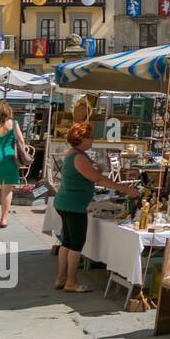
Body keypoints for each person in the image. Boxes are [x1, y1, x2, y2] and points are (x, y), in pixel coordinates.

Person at [53, 122, 139, 292]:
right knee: (77, 244)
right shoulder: (79, 157)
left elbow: (93, 172)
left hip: (64, 203)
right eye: (90, 137)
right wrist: (125, 189)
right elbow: (98, 179)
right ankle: (71, 282)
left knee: (67, 242)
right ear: (81, 139)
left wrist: (96, 168)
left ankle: (60, 278)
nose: (93, 140)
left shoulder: (75, 154)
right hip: (74, 205)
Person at [0, 101, 32, 230]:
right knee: (7, 189)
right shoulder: (13, 123)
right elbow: (21, 141)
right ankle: (4, 219)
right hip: (9, 157)